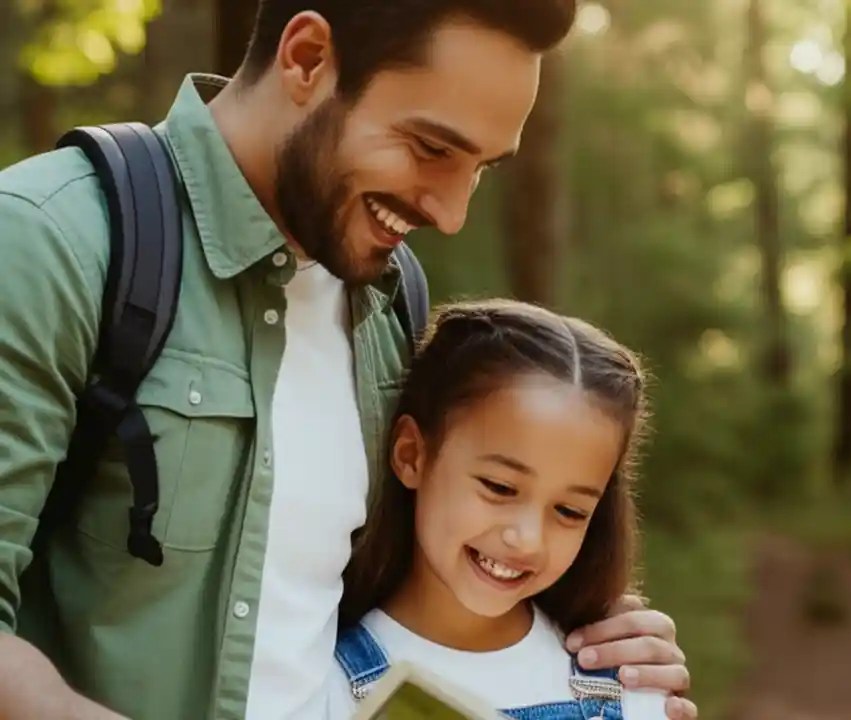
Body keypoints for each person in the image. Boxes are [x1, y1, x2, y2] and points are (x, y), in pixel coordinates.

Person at [0, 1, 698, 718]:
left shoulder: (389, 308)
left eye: (481, 168)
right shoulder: (50, 242)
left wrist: (584, 657)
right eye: (431, 149)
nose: (451, 212)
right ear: (305, 58)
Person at [327, 299, 664, 719]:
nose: (527, 538)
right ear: (412, 454)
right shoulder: (327, 685)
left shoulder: (628, 684)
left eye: (570, 511)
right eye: (500, 487)